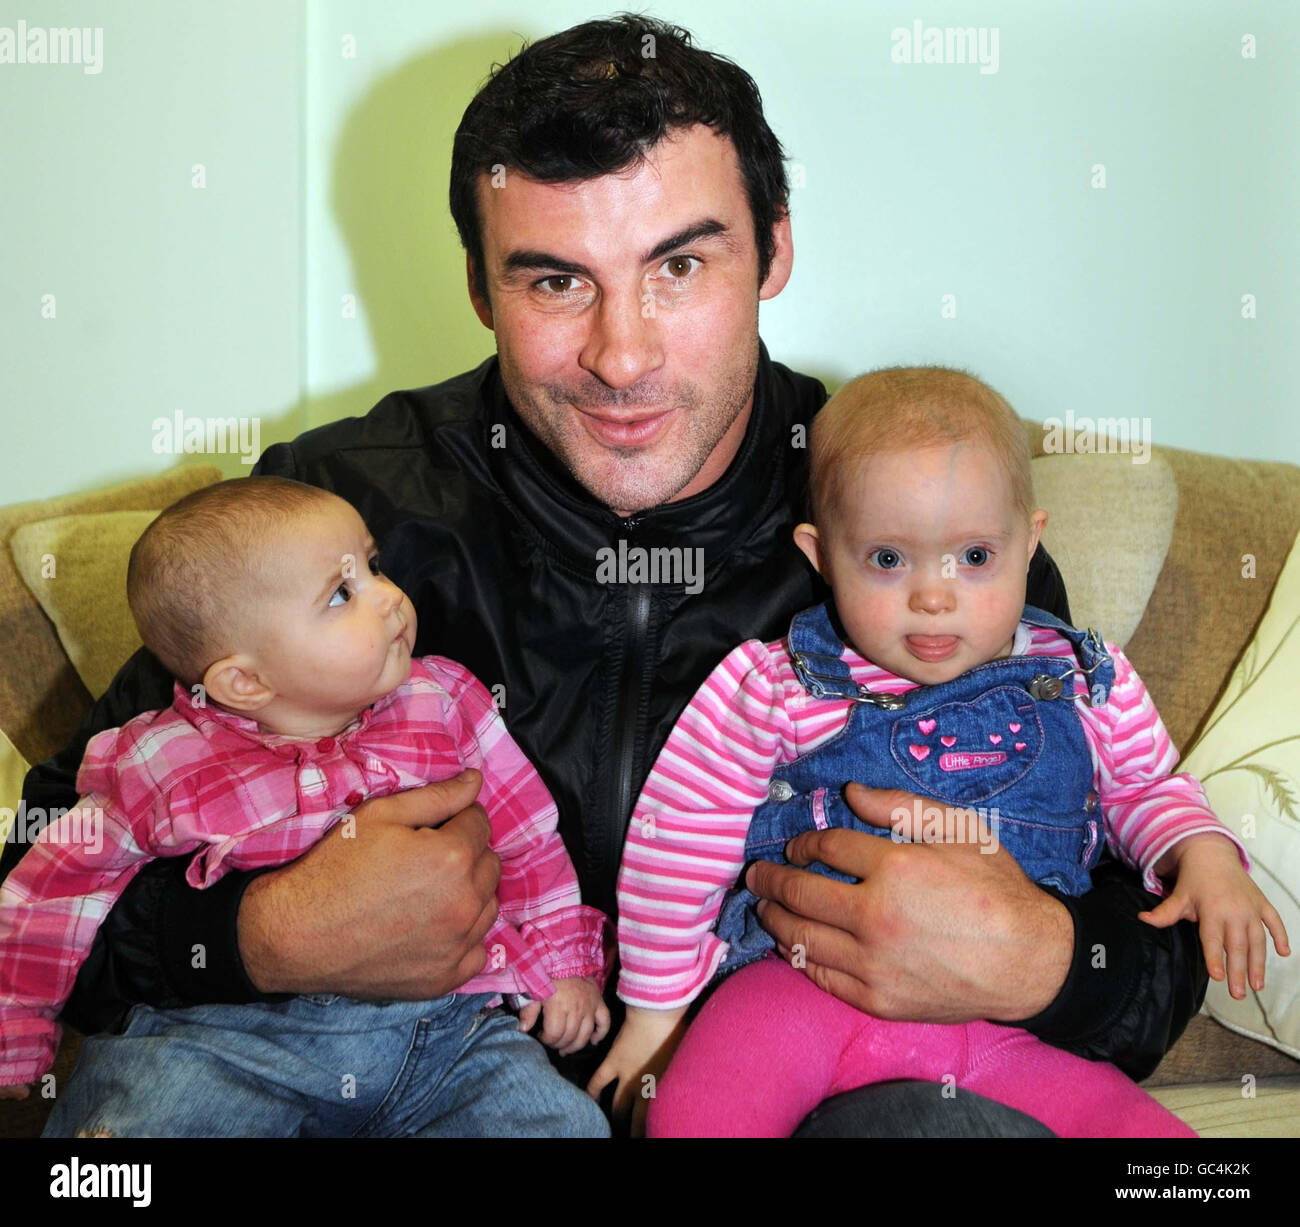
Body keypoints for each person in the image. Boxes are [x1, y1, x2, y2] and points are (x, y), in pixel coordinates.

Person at [4, 16, 1209, 1137]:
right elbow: (45, 856)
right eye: (552, 280)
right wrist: (253, 939)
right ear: (479, 287)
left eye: (678, 267)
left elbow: (1157, 927)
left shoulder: (914, 519)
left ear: (774, 249)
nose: (620, 355)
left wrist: (1048, 961)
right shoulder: (342, 513)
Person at [590, 367, 1289, 1136]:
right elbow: (683, 830)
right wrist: (654, 1012)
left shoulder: (1085, 680)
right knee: (703, 1107)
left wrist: (1207, 853)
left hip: (1007, 1027)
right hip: (799, 992)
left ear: (1030, 544)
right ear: (822, 556)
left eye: (976, 557)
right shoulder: (781, 684)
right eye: (888, 559)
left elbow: (1145, 789)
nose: (934, 594)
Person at [0, 478, 610, 1137]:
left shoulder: (445, 700)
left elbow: (527, 835)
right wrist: (18, 1022)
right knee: (144, 1121)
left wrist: (563, 964)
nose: (390, 598)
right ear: (246, 679)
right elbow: (55, 887)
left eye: (372, 567)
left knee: (562, 1123)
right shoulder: (159, 759)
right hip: (227, 1041)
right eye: (342, 594)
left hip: (450, 1035)